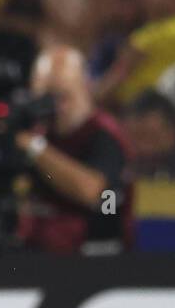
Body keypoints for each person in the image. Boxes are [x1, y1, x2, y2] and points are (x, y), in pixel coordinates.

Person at [14, 45, 135, 254]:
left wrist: (35, 149)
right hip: (39, 256)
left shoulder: (104, 133)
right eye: (46, 97)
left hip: (96, 261)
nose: (56, 106)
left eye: (64, 96)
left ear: (85, 87)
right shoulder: (38, 133)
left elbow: (92, 191)